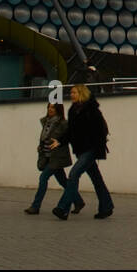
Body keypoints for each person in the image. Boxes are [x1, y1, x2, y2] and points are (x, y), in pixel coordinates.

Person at [51, 84, 114, 220]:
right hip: (80, 150)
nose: (71, 95)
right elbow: (71, 131)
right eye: (71, 93)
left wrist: (97, 149)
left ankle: (63, 208)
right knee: (96, 179)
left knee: (74, 174)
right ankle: (107, 206)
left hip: (91, 149)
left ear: (81, 93)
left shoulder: (92, 110)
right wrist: (60, 141)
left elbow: (99, 131)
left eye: (74, 93)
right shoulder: (73, 110)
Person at [26, 102, 75, 215]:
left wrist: (59, 143)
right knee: (63, 181)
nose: (50, 109)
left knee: (43, 178)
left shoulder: (63, 123)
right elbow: (44, 138)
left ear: (58, 109)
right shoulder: (45, 122)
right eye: (49, 107)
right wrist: (41, 146)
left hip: (57, 157)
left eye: (53, 107)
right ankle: (78, 201)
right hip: (47, 156)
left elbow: (67, 138)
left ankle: (35, 206)